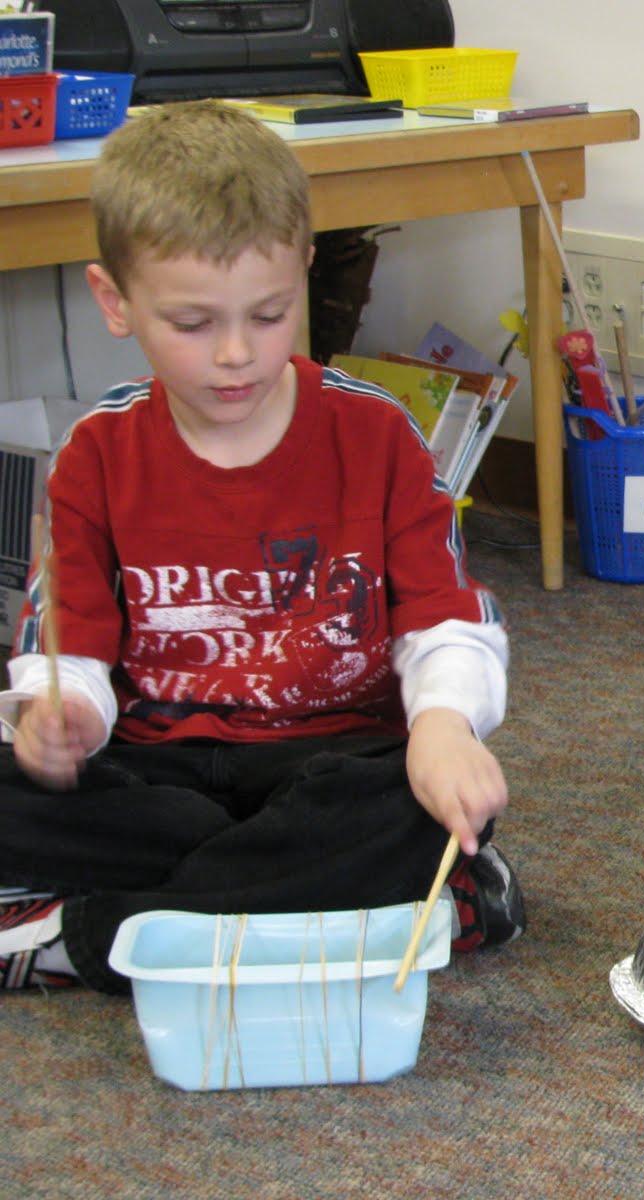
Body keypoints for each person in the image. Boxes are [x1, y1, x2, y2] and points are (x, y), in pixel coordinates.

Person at [0, 100, 524, 992]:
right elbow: (69, 648)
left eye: (271, 314)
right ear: (115, 301)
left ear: (304, 270)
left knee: (408, 808)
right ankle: (313, 901)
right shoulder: (96, 452)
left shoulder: (378, 436)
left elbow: (446, 620)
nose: (237, 354)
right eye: (193, 324)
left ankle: (90, 937)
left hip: (329, 762)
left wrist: (442, 724)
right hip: (153, 768)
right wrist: (65, 715)